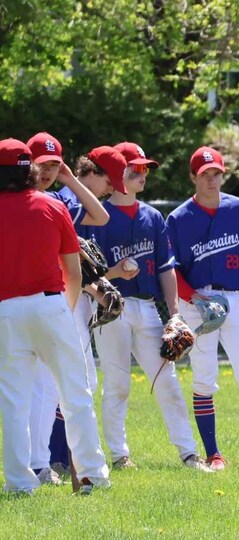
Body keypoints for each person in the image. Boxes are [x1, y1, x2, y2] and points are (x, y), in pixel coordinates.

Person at [0, 138, 110, 495]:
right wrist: (65, 309)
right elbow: (74, 274)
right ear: (29, 170)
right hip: (50, 305)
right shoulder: (51, 205)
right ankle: (92, 475)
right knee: (75, 394)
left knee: (14, 402)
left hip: (5, 311)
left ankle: (20, 483)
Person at [90, 142, 209, 471]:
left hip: (147, 308)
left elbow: (166, 268)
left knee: (167, 381)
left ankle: (188, 454)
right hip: (110, 306)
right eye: (136, 169)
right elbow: (87, 272)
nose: (143, 175)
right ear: (119, 172)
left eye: (146, 169)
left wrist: (175, 313)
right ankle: (119, 455)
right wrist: (115, 272)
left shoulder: (153, 217)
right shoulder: (97, 215)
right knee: (118, 384)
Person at [165, 146, 239, 470]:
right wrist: (193, 297)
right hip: (196, 301)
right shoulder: (178, 219)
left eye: (216, 173)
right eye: (205, 174)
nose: (212, 180)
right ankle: (214, 454)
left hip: (235, 298)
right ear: (193, 177)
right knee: (204, 378)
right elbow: (170, 269)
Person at [43, 147, 129, 478]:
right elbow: (100, 217)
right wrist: (70, 179)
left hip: (70, 297)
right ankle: (54, 457)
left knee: (76, 380)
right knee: (64, 381)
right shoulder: (65, 200)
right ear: (92, 172)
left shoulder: (73, 201)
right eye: (109, 182)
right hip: (59, 298)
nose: (109, 191)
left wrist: (97, 286)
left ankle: (59, 458)